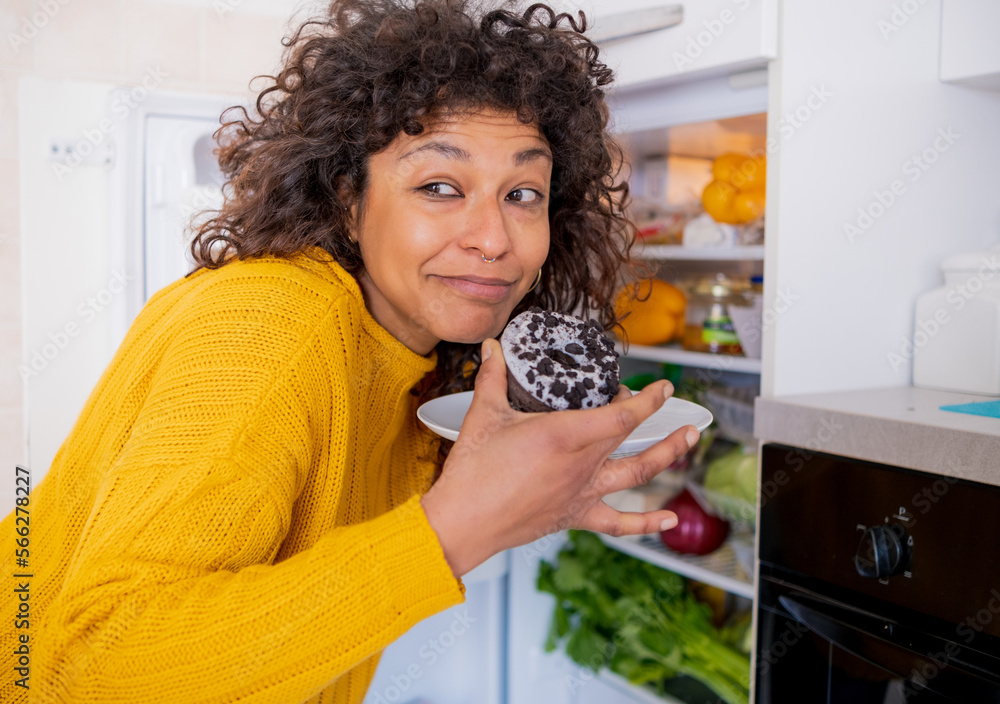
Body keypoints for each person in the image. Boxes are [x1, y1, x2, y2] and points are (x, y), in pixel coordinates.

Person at [0, 1, 699, 702]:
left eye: (522, 193)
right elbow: (94, 668)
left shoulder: (423, 363)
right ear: (347, 199)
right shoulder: (267, 325)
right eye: (439, 187)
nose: (494, 238)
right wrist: (451, 531)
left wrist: (524, 498)